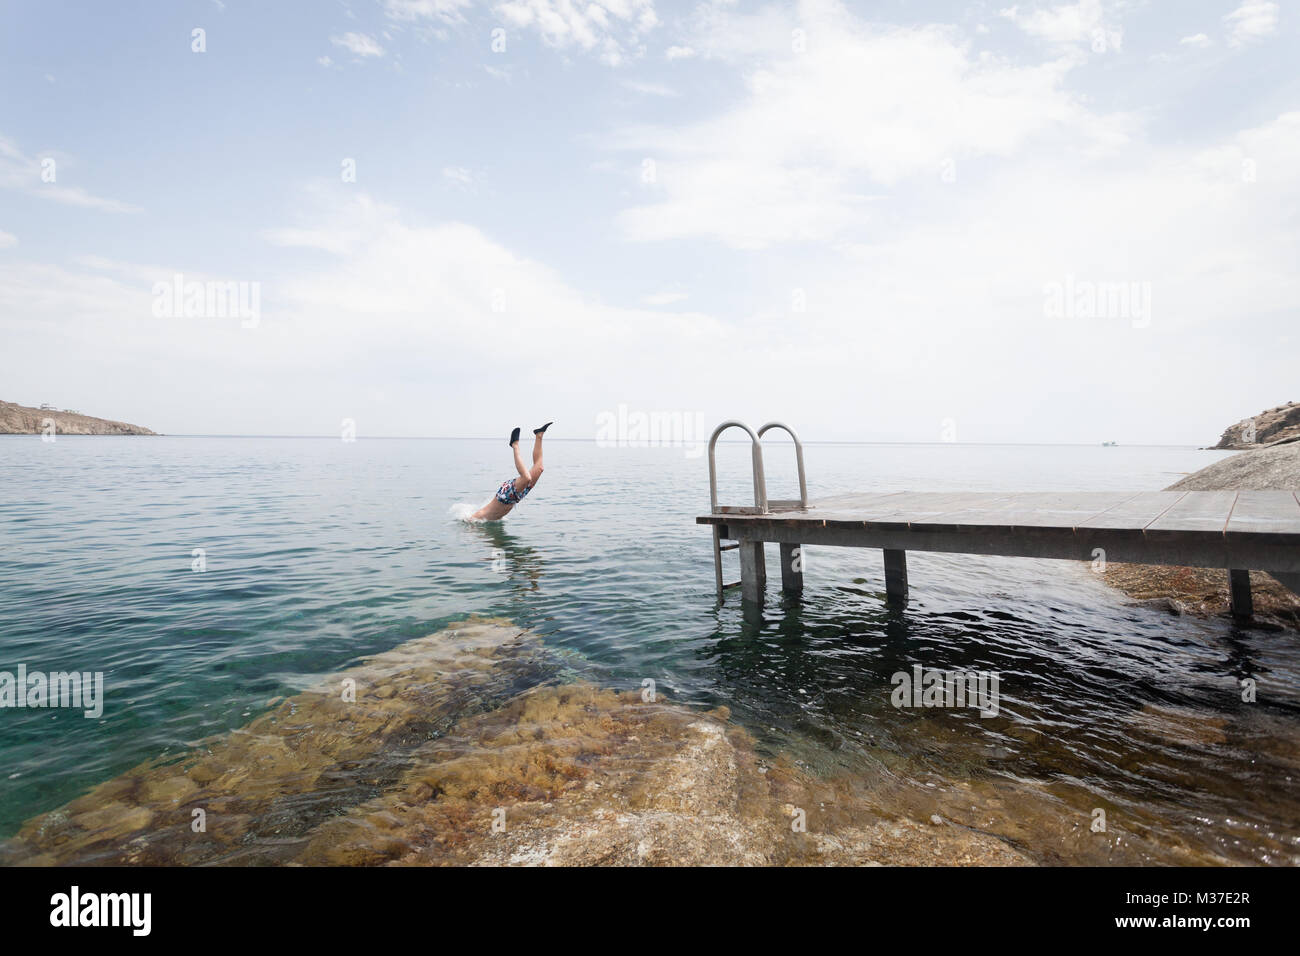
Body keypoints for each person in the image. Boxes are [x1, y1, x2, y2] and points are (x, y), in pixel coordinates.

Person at [471, 423, 551, 521]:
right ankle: (539, 435)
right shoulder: (479, 519)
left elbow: (468, 520)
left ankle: (514, 445)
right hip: (516, 497)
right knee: (539, 468)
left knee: (526, 478)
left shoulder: (475, 518)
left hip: (505, 496)